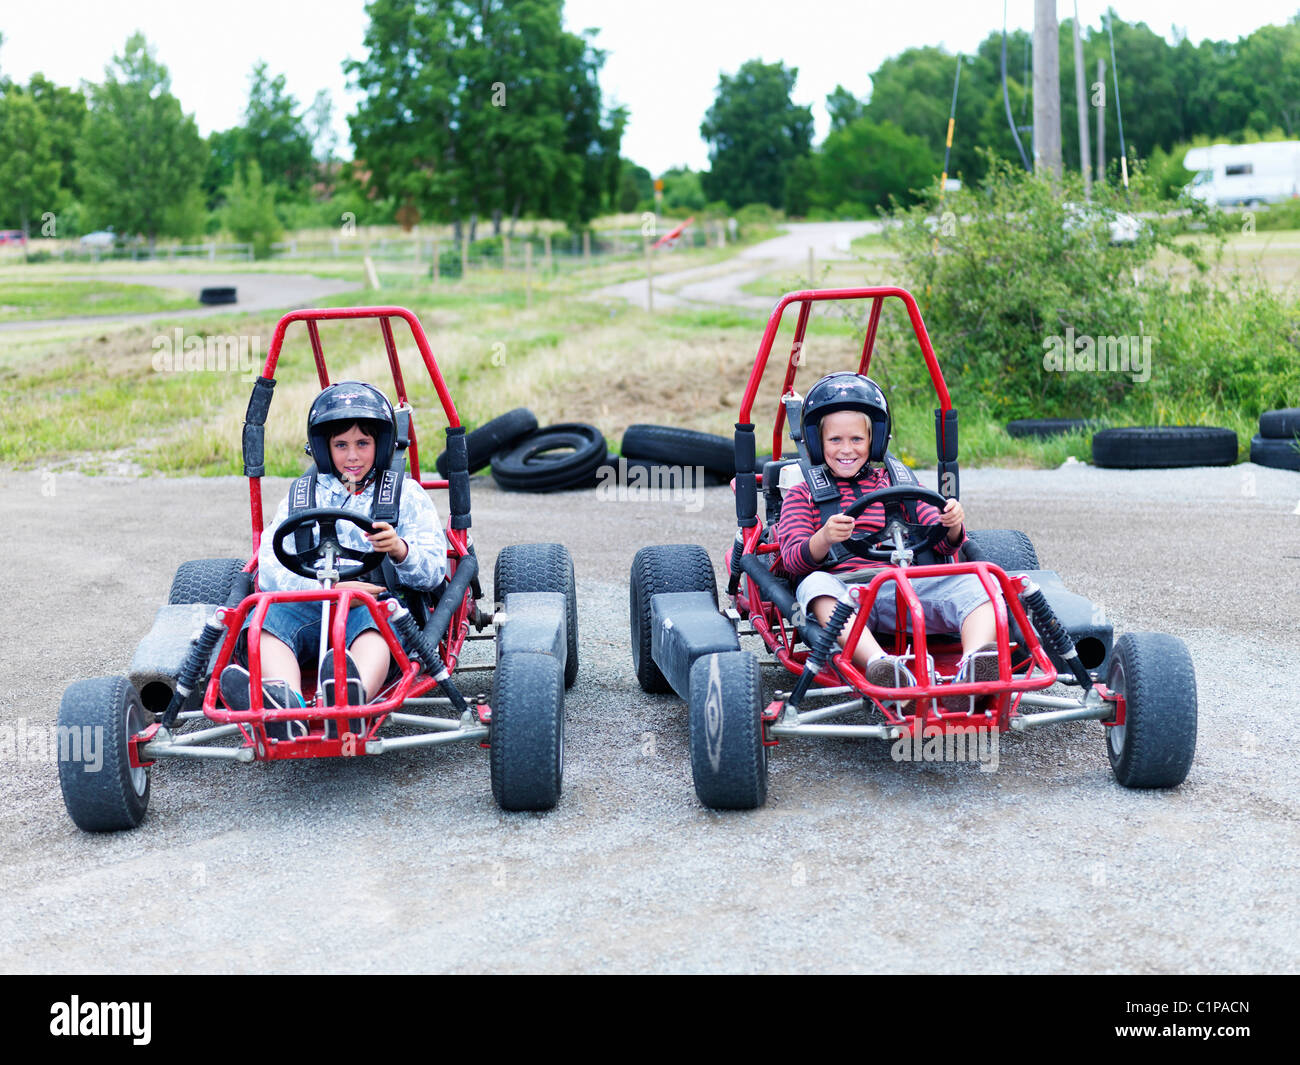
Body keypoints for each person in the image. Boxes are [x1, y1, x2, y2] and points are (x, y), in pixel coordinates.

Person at [221, 381, 448, 734]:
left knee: (377, 626)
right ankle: (286, 703)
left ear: (382, 445)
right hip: (307, 600)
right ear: (324, 448)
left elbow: (434, 572)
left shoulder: (405, 494)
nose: (352, 456)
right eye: (341, 445)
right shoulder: (301, 495)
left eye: (363, 443)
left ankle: (350, 699)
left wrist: (401, 551)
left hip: (373, 604)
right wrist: (328, 586)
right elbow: (268, 566)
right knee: (265, 624)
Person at [776, 371, 999, 707]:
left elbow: (941, 543)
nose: (846, 449)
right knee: (814, 586)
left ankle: (976, 663)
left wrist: (951, 524)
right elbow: (792, 561)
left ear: (875, 441)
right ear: (817, 444)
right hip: (847, 593)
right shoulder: (802, 494)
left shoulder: (896, 483)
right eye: (835, 440)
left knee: (979, 581)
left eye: (857, 440)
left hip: (907, 587)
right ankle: (881, 664)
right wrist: (823, 538)